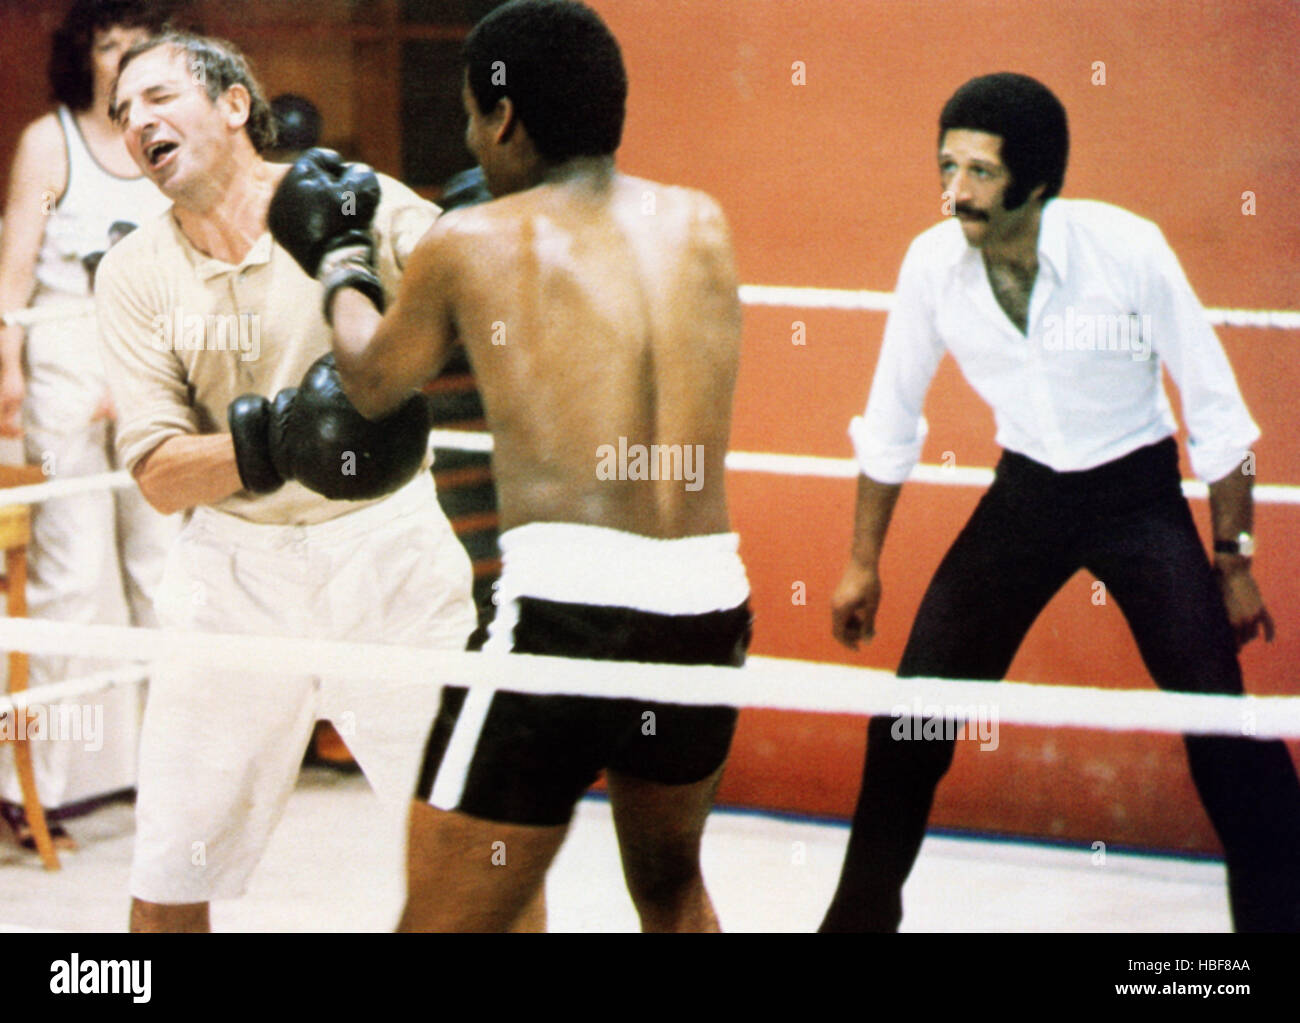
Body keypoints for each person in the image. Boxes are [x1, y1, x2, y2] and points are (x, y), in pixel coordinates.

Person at [269, 0, 752, 932]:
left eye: (467, 113)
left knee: (441, 925)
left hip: (568, 616)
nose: (468, 134)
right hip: (708, 603)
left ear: (502, 117)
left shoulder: (472, 241)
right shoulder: (701, 223)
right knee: (671, 888)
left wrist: (338, 259)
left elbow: (370, 381)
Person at [820, 72, 1300, 933]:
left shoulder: (1131, 250)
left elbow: (1218, 412)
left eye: (979, 173)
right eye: (947, 167)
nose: (955, 193)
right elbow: (892, 417)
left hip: (1137, 494)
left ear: (1037, 182)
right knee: (910, 723)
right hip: (1027, 494)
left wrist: (1234, 564)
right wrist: (862, 560)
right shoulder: (932, 265)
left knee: (1222, 730)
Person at [96, 30, 476, 932]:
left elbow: (476, 276)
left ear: (235, 105)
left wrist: (485, 212)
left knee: (474, 847)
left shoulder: (351, 198)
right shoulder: (133, 272)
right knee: (168, 872)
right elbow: (156, 472)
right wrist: (281, 440)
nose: (137, 121)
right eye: (121, 113)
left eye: (157, 96)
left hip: (390, 558)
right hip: (231, 576)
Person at [0, 0, 178, 852]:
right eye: (110, 45)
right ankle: (32, 789)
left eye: (141, 45)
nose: (126, 60)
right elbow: (15, 276)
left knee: (165, 572)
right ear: (86, 57)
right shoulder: (50, 139)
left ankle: (174, 774)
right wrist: (7, 367)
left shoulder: (163, 138)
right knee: (69, 576)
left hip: (150, 360)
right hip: (66, 356)